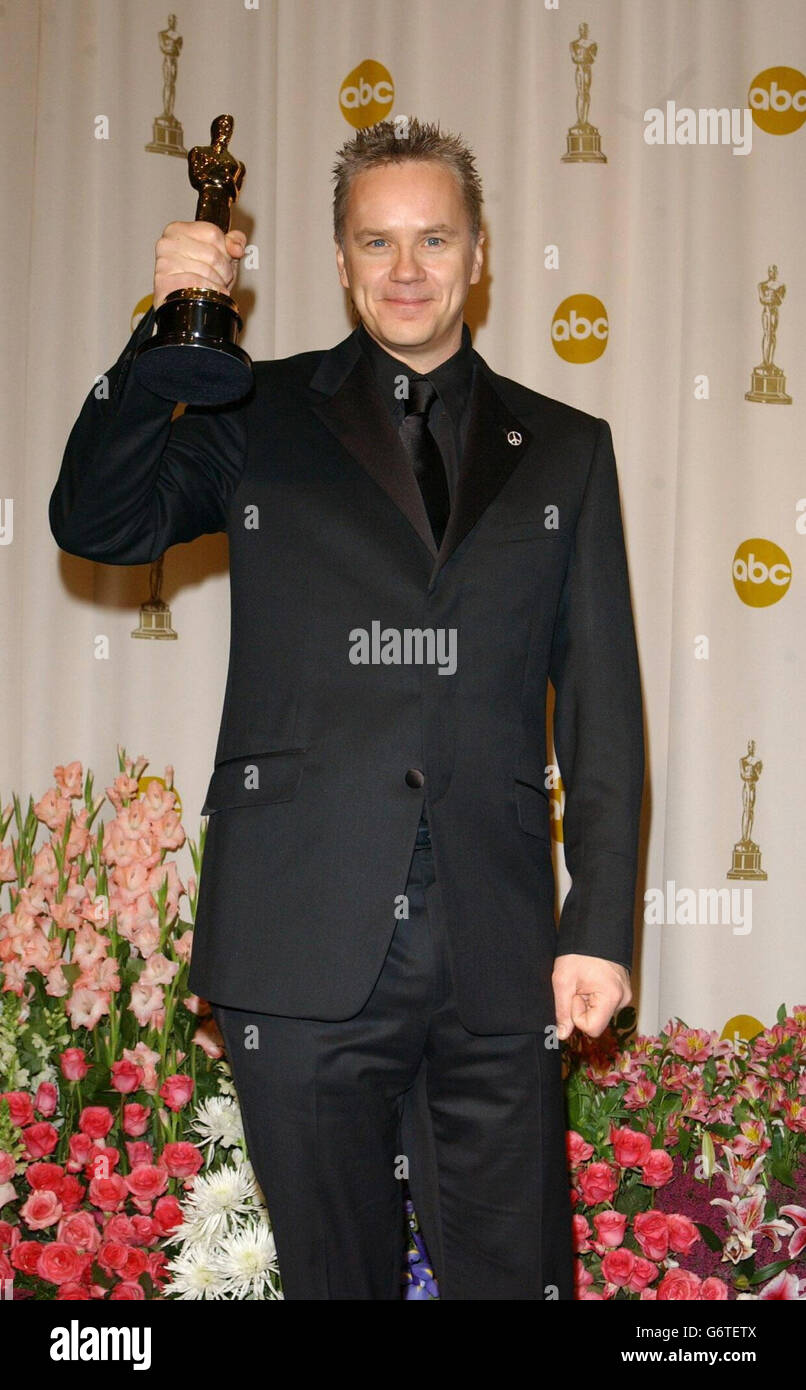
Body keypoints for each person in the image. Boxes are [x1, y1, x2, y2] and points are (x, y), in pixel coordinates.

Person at [49, 117, 644, 1301]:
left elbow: (603, 702)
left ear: (478, 252)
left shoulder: (567, 451)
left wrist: (598, 925)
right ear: (334, 260)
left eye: (434, 238)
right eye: (377, 241)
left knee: (517, 1281)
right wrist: (159, 330)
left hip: (498, 946)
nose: (407, 268)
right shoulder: (249, 413)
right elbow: (98, 523)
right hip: (297, 935)